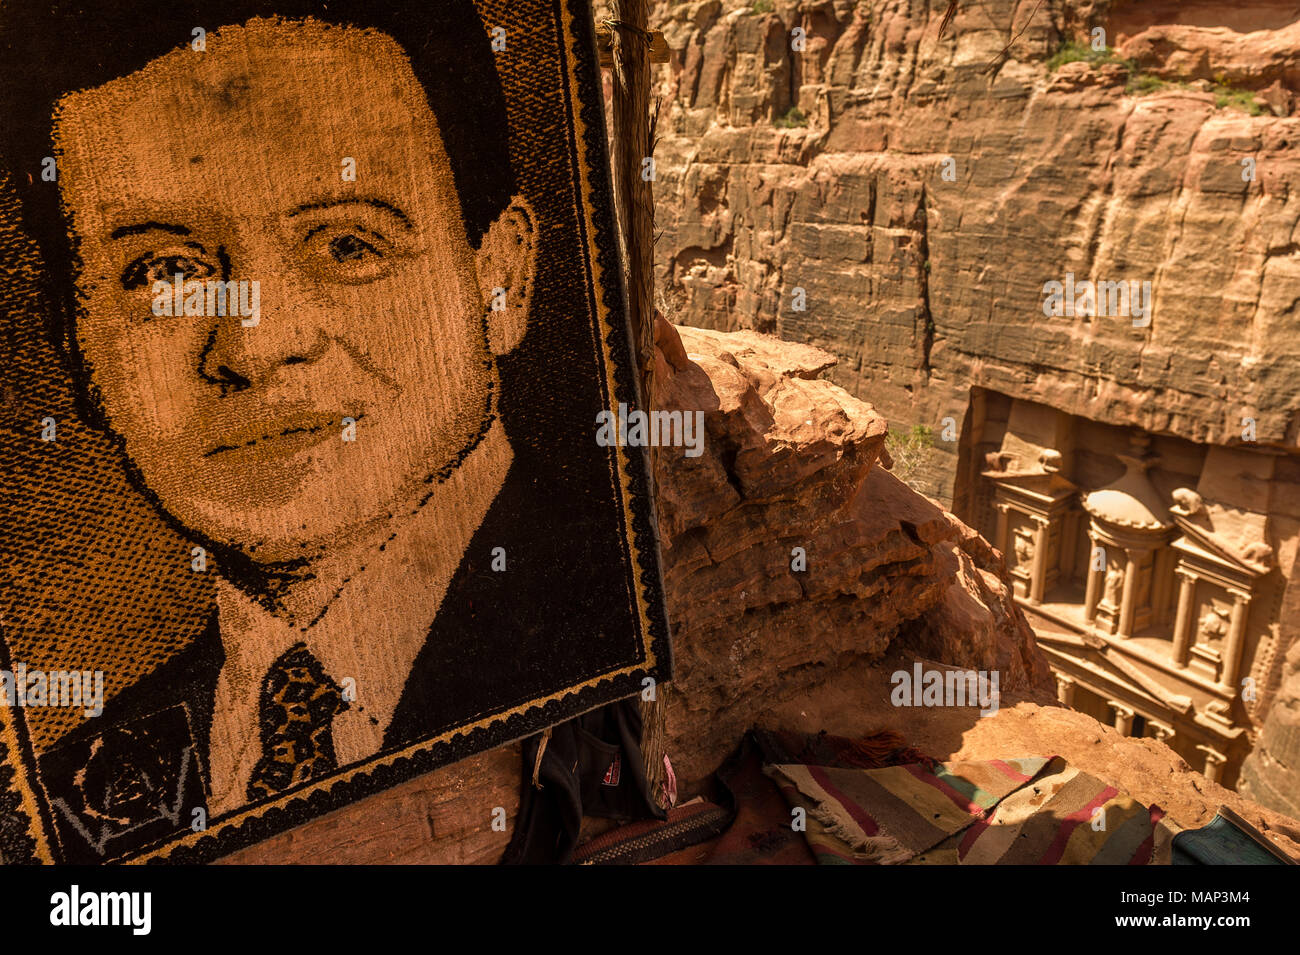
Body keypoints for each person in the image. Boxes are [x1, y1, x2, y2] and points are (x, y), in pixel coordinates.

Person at [0, 3, 649, 862]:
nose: (254, 343)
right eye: (164, 272)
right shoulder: (76, 785)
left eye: (348, 243)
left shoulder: (590, 614)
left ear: (503, 279)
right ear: (73, 340)